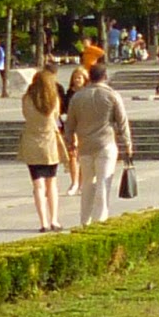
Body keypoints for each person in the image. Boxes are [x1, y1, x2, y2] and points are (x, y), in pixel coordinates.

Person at [67, 64, 134, 226]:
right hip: (106, 144)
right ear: (105, 76)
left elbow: (69, 124)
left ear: (89, 77)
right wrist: (127, 143)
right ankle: (100, 221)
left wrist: (70, 142)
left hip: (85, 147)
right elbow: (122, 121)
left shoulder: (78, 97)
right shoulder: (111, 95)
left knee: (88, 185)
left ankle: (85, 221)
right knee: (104, 184)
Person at [18, 69, 65, 232]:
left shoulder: (26, 99)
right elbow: (57, 116)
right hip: (49, 142)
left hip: (31, 141)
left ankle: (43, 222)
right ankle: (54, 220)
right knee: (52, 182)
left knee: (38, 185)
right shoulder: (53, 100)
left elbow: (25, 115)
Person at [61, 66, 88, 195]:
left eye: (80, 77)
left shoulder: (88, 93)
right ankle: (74, 182)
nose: (77, 80)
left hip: (85, 127)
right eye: (75, 78)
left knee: (82, 156)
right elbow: (64, 109)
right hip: (71, 127)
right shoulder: (69, 94)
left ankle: (82, 183)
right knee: (72, 155)